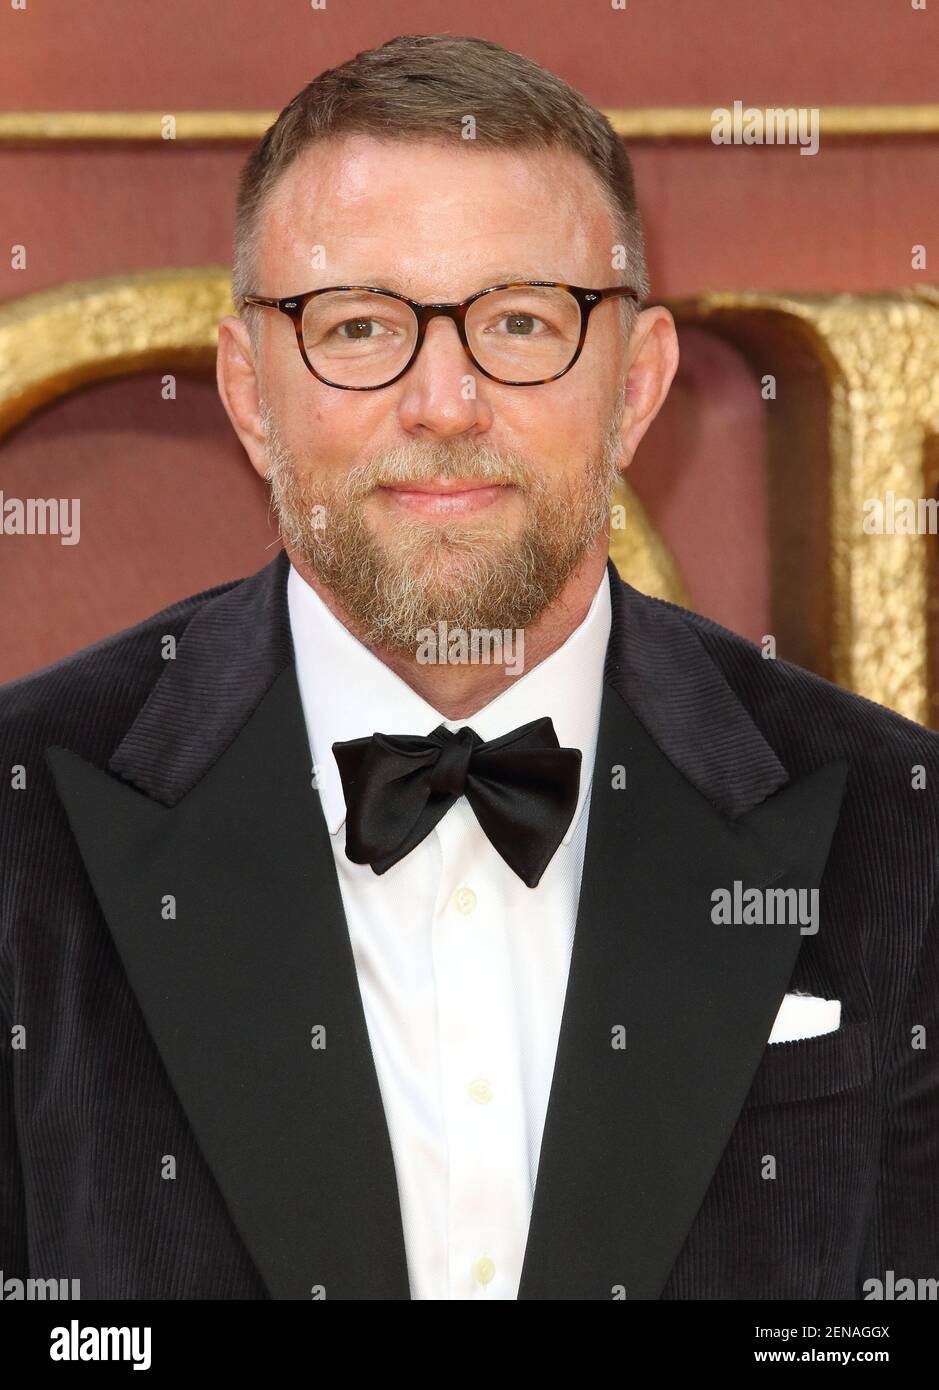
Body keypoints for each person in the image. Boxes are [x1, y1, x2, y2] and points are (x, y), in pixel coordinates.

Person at [1, 33, 937, 1302]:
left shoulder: (899, 830)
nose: (444, 403)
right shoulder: (25, 823)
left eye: (519, 321)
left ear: (639, 383)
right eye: (359, 325)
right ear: (247, 392)